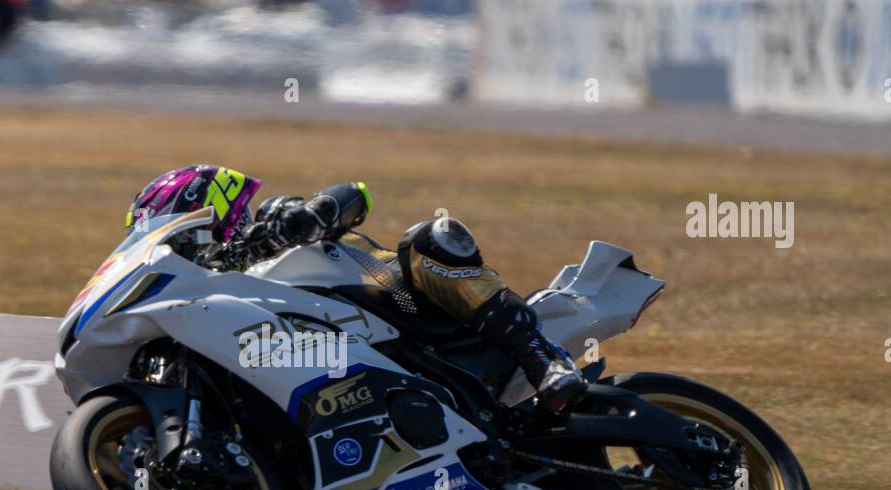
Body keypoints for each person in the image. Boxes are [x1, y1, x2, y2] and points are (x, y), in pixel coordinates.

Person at [126, 165, 588, 414]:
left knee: (430, 236)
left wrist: (309, 215)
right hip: (334, 363)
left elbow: (356, 194)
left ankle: (543, 360)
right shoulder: (204, 301)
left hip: (401, 308)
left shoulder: (273, 221)